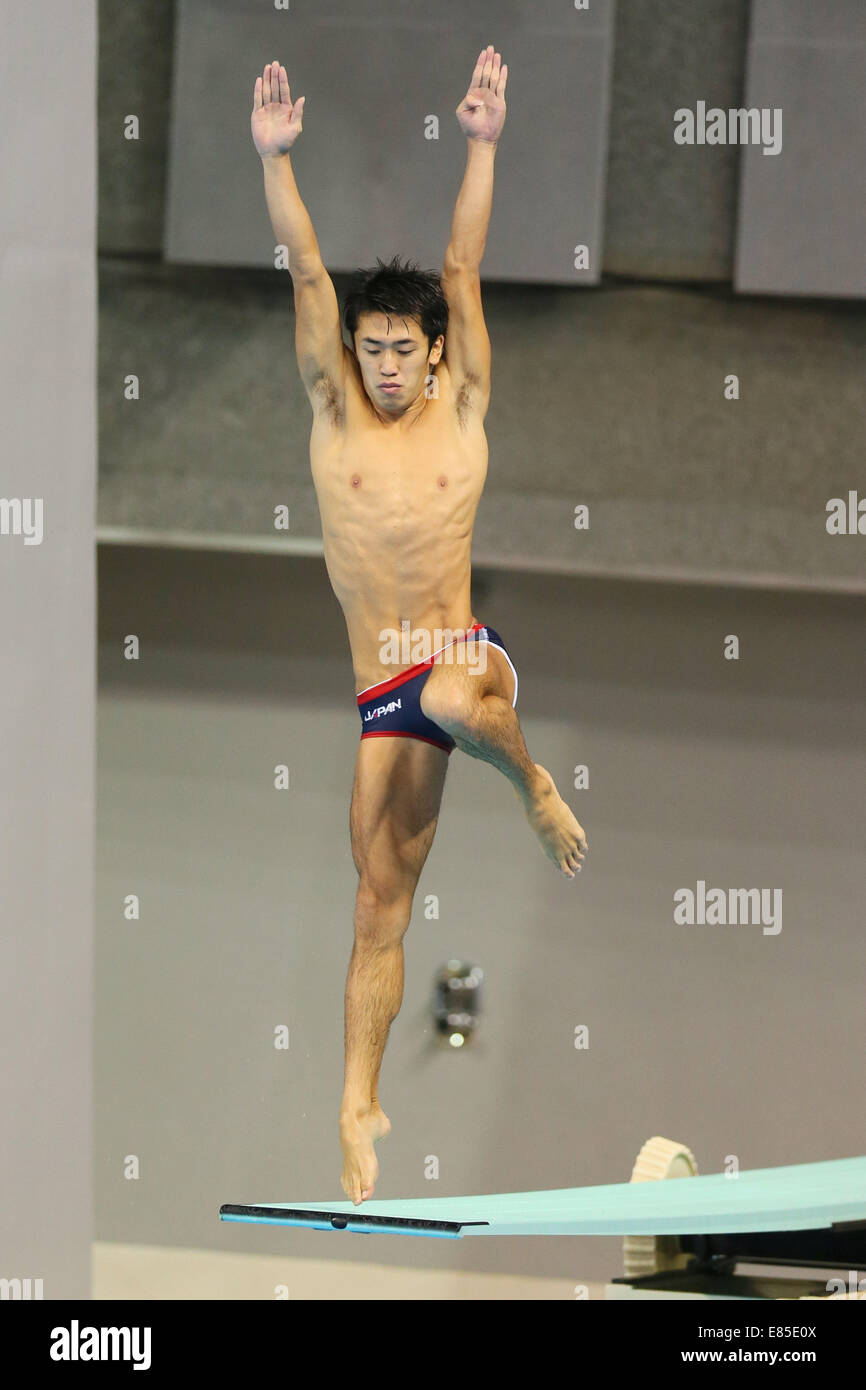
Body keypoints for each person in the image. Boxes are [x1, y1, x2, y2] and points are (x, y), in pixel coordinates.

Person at [251, 45, 587, 1205]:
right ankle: (357, 1104)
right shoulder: (334, 408)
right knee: (375, 907)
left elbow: (459, 263)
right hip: (378, 694)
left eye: (404, 348)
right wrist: (274, 163)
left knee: (448, 691)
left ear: (437, 352)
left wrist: (482, 141)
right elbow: (306, 273)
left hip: (463, 661)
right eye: (373, 346)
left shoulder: (463, 403)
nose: (387, 365)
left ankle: (532, 783)